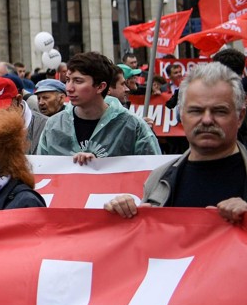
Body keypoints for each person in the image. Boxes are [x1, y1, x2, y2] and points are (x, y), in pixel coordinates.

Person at [106, 62, 247, 223]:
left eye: (219, 111)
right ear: (181, 116)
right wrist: (124, 219)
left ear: (240, 117)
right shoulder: (158, 179)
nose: (207, 120)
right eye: (196, 111)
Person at [36, 52, 160, 162]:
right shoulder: (54, 126)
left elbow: (152, 172)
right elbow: (42, 172)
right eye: (68, 80)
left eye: (78, 81)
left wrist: (100, 168)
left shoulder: (133, 127)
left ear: (101, 87)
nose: (69, 88)